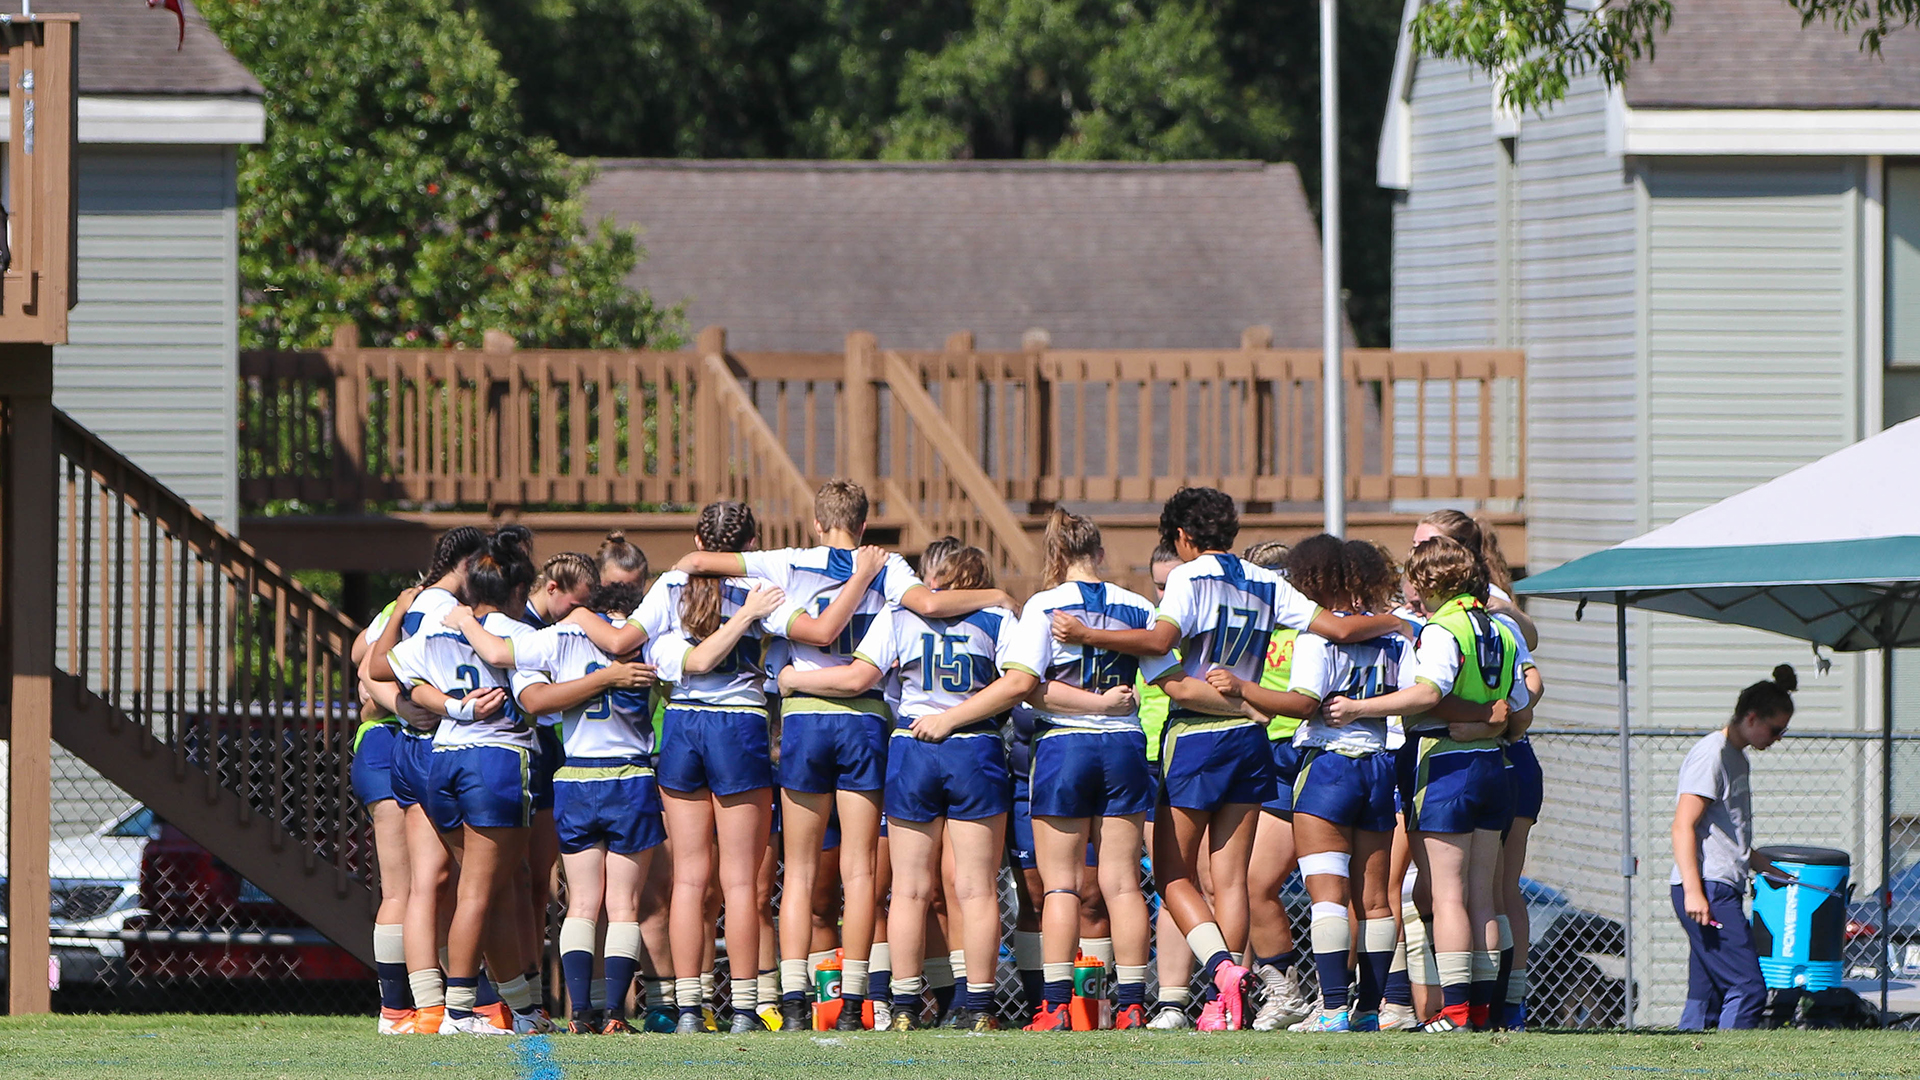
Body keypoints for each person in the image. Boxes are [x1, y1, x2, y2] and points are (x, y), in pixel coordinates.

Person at [1055, 487, 1408, 1031]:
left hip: (1197, 736)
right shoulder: (1266, 580)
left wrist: (1086, 633)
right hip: (1249, 733)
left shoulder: (1188, 578)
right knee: (1233, 878)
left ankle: (1223, 973)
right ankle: (1227, 1008)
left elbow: (1158, 641)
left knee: (1172, 872)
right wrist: (1396, 623)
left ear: (1182, 537)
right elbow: (1337, 628)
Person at [675, 483, 1008, 1030]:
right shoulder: (886, 564)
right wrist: (993, 596)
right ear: (864, 520)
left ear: (814, 521)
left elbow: (694, 559)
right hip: (865, 717)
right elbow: (925, 603)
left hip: (805, 714)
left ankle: (793, 1003)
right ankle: (854, 1003)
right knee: (861, 872)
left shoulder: (787, 561)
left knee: (799, 872)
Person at [946, 510, 1168, 1030]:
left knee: (1062, 887)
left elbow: (1024, 684)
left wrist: (1087, 704)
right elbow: (1164, 673)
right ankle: (1134, 1003)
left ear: (1055, 555)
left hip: (1065, 746)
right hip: (1124, 746)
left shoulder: (1045, 604)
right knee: (1122, 885)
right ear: (1101, 553)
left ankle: (1055, 1007)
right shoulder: (1137, 605)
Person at [781, 546, 1018, 1032]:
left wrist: (792, 679)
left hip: (913, 744)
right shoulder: (997, 616)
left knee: (909, 889)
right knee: (975, 889)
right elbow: (1018, 683)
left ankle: (906, 1006)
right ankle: (977, 1009)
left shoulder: (901, 613)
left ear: (937, 578)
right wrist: (956, 715)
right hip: (974, 747)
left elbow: (860, 678)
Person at [1325, 536, 1534, 1032]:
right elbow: (1519, 714)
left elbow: (1427, 693)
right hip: (1493, 766)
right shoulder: (1501, 629)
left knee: (1447, 895)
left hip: (1444, 766)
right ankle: (1482, 1010)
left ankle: (1456, 1010)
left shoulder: (1444, 628)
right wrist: (1488, 725)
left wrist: (1358, 708)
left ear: (1427, 581)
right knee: (1483, 893)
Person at [1212, 537, 1408, 1032]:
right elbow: (1415, 697)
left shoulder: (1316, 637)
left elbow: (1304, 703)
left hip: (1328, 765)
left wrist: (1242, 689)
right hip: (1380, 765)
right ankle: (1371, 1009)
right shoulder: (1396, 637)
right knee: (1375, 899)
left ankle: (1333, 1009)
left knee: (1326, 894)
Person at [385, 531, 546, 1035]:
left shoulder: (435, 628)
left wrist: (451, 706)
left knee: (486, 890)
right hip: (496, 759)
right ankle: (458, 1010)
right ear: (518, 592)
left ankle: (519, 1010)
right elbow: (530, 686)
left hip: (443, 759)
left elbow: (390, 667)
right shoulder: (516, 633)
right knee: (479, 891)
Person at [499, 580, 661, 1034]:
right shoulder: (646, 636)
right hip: (628, 776)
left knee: (583, 903)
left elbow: (513, 663)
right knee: (624, 905)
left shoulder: (566, 636)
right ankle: (614, 1014)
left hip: (576, 776)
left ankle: (581, 1015)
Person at [361, 526, 490, 1034]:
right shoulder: (440, 607)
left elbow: (366, 662)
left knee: (429, 884)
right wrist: (409, 707)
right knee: (416, 886)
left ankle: (426, 1008)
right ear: (470, 562)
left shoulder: (411, 602)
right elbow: (370, 669)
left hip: (404, 741)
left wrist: (401, 701)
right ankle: (409, 1009)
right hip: (406, 743)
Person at [1670, 666, 1795, 1031]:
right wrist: (1694, 893)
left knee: (1705, 995)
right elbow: (1682, 826)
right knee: (1748, 988)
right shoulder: (1712, 754)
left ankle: (1687, 1061)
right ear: (1751, 717)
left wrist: (1767, 868)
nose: (1778, 738)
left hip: (1721, 885)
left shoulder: (1737, 758)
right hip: (1707, 889)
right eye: (1775, 730)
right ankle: (1732, 1065)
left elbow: (1728, 837)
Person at [1234, 539, 1314, 1031]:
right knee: (1256, 883)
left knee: (1338, 885)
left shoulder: (1313, 624)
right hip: (1272, 757)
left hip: (1314, 753)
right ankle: (1284, 991)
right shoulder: (1247, 626)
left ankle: (1342, 996)